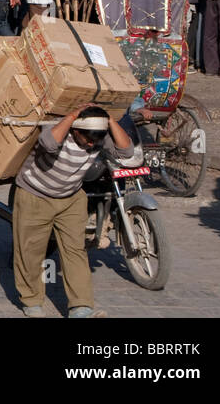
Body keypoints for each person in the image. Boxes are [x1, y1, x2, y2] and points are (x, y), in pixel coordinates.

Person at [12, 106, 141, 317]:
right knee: (30, 251)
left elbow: (126, 151)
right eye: (88, 138)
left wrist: (108, 120)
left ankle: (81, 306)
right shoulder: (59, 130)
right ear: (76, 129)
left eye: (97, 138)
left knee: (75, 251)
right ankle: (31, 300)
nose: (92, 143)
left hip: (71, 199)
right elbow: (48, 144)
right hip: (34, 195)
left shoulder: (99, 136)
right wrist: (71, 116)